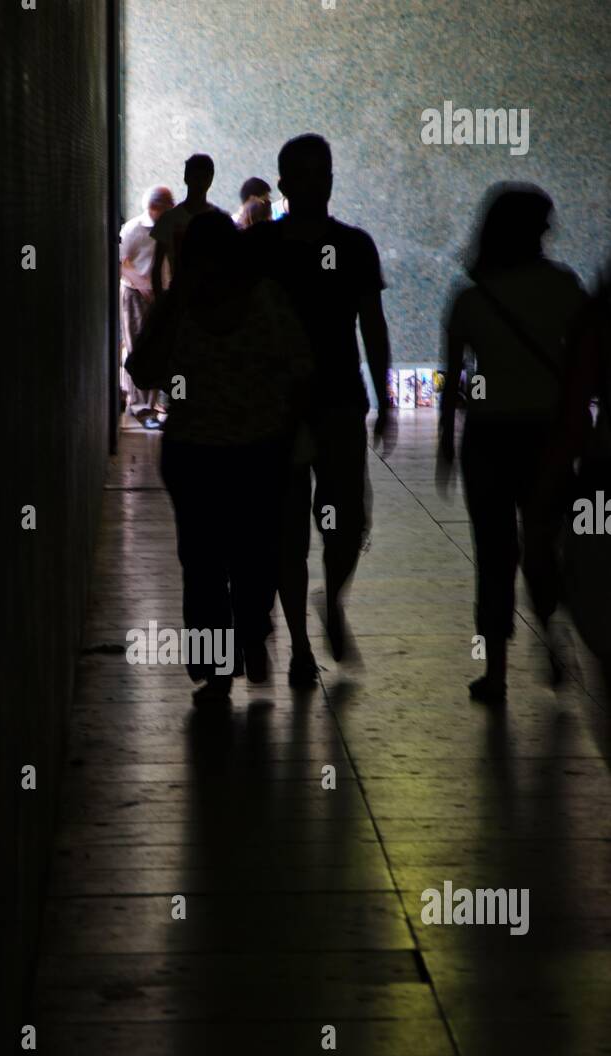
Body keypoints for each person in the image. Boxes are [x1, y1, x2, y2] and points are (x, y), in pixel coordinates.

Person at [127, 211, 314, 704]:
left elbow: (142, 368)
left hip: (199, 457)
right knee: (250, 559)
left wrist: (173, 301)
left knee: (205, 565)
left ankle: (219, 666)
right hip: (255, 455)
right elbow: (300, 370)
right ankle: (246, 640)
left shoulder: (195, 306)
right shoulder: (264, 301)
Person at [246, 133, 397, 684]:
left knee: (346, 523)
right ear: (284, 183)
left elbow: (373, 326)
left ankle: (328, 601)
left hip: (332, 405)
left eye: (323, 171)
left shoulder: (349, 247)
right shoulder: (265, 247)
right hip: (288, 409)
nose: (317, 181)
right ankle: (303, 649)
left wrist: (385, 399)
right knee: (294, 529)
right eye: (306, 173)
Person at [437, 183, 587, 704]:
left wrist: (444, 445)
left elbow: (455, 377)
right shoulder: (565, 288)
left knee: (494, 554)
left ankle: (496, 672)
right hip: (548, 437)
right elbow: (586, 362)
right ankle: (551, 626)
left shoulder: (471, 297)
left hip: (489, 439)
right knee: (543, 544)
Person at [119, 185, 175, 429]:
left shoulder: (167, 229)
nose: (171, 211)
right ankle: (140, 408)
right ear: (153, 207)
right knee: (138, 349)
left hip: (158, 294)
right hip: (135, 294)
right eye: (167, 207)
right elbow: (120, 261)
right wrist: (142, 285)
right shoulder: (133, 228)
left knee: (156, 349)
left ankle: (152, 408)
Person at [150, 154, 217, 297]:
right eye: (196, 178)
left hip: (209, 297)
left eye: (204, 178)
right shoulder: (169, 219)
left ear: (210, 180)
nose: (199, 183)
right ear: (187, 178)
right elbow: (156, 268)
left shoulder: (218, 218)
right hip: (182, 295)